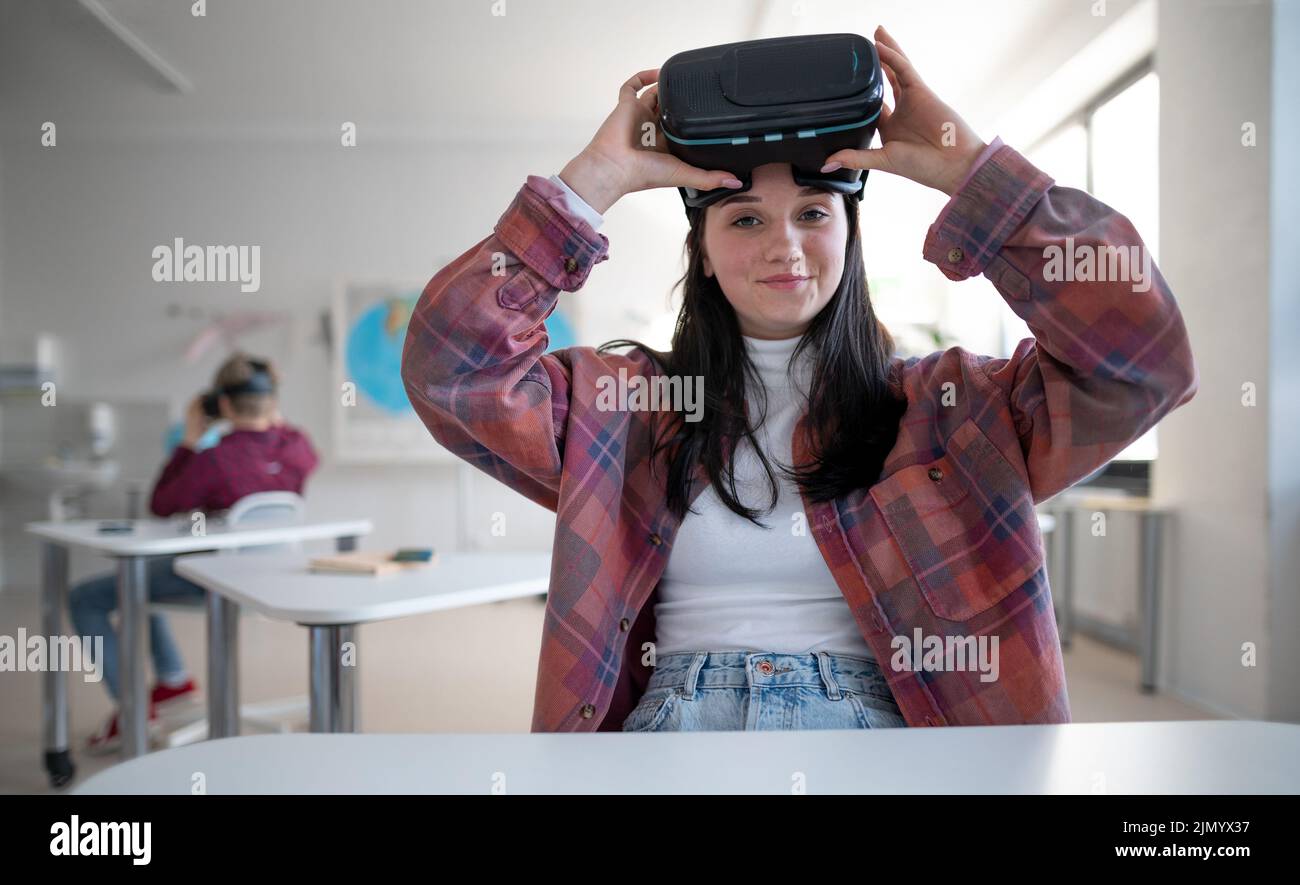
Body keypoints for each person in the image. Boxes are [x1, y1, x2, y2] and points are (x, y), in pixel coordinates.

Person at [400, 26, 1198, 733]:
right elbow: (451, 368)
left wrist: (972, 172)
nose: (783, 245)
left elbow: (1143, 358)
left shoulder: (955, 406)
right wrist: (592, 182)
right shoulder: (624, 407)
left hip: (878, 726)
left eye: (814, 213)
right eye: (745, 218)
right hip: (676, 725)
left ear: (850, 234)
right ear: (704, 254)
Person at [69, 353, 320, 753]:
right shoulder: (297, 447)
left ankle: (132, 710)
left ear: (220, 403)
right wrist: (274, 417)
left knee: (86, 596)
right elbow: (302, 452)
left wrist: (189, 437)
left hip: (218, 583)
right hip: (272, 579)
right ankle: (173, 681)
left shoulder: (216, 458)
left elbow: (162, 502)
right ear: (272, 402)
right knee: (146, 573)